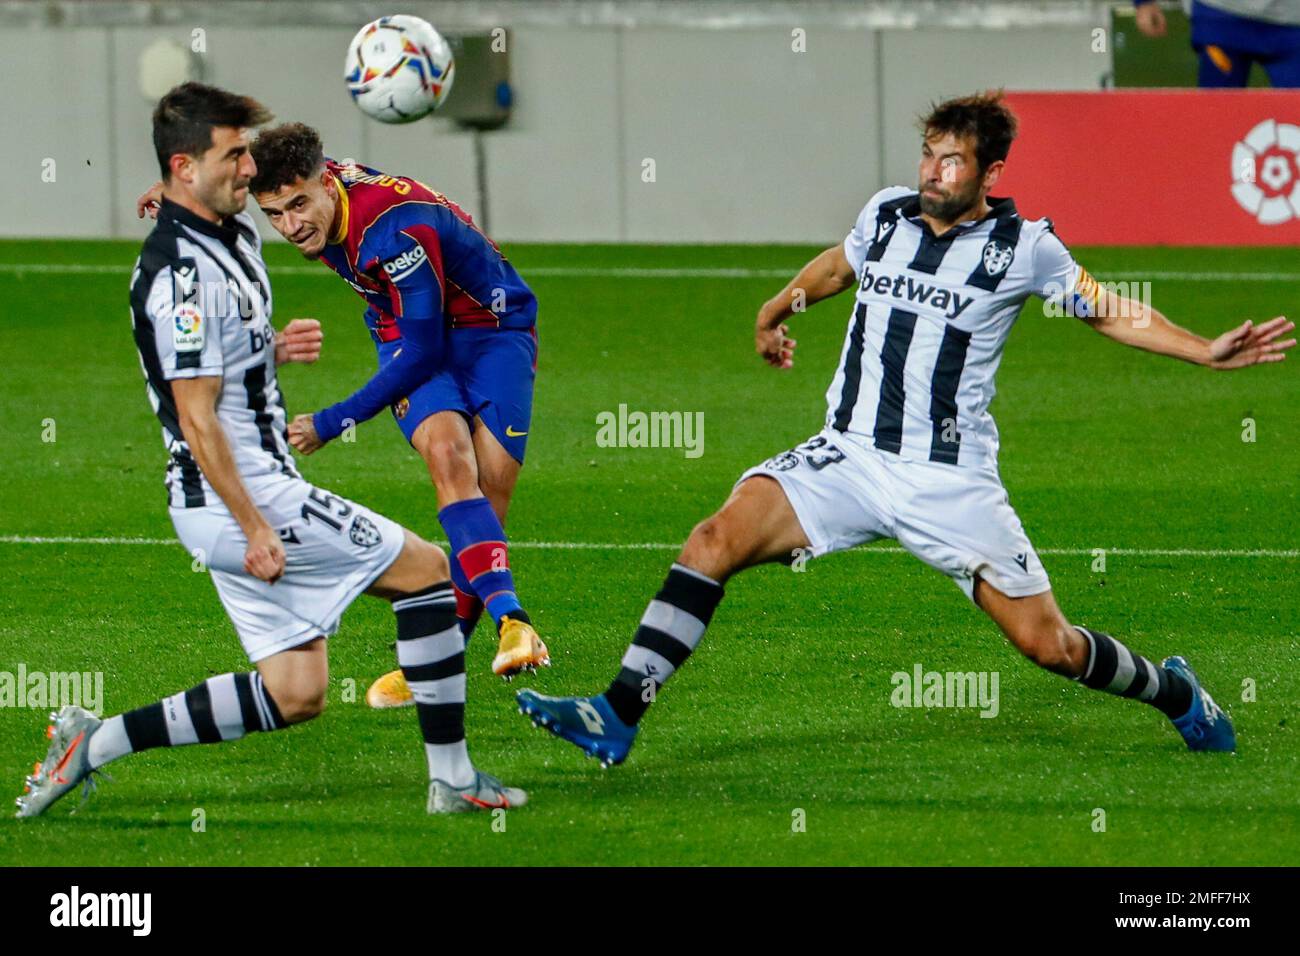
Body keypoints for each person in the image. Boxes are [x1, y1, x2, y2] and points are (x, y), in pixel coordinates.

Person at [517, 90, 1294, 766]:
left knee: (1048, 646)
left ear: (991, 174)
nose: (933, 172)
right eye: (928, 155)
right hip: (846, 456)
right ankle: (617, 714)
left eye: (953, 161)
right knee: (711, 541)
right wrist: (776, 308)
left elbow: (1108, 308)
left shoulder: (1026, 249)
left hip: (946, 479)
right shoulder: (886, 213)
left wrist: (1203, 351)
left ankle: (1175, 691)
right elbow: (839, 264)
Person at [19, 82, 527, 818]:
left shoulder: (229, 237)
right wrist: (255, 525)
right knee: (427, 575)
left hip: (228, 500)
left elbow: (217, 359)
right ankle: (452, 779)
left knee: (296, 695)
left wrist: (267, 348)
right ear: (188, 166)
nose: (249, 172)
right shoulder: (185, 275)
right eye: (233, 157)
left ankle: (89, 747)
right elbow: (196, 417)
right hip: (243, 496)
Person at [1134, 0, 1300, 87]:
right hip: (1220, 18)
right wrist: (1144, 2)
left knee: (1294, 116)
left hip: (1293, 24)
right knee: (1216, 120)